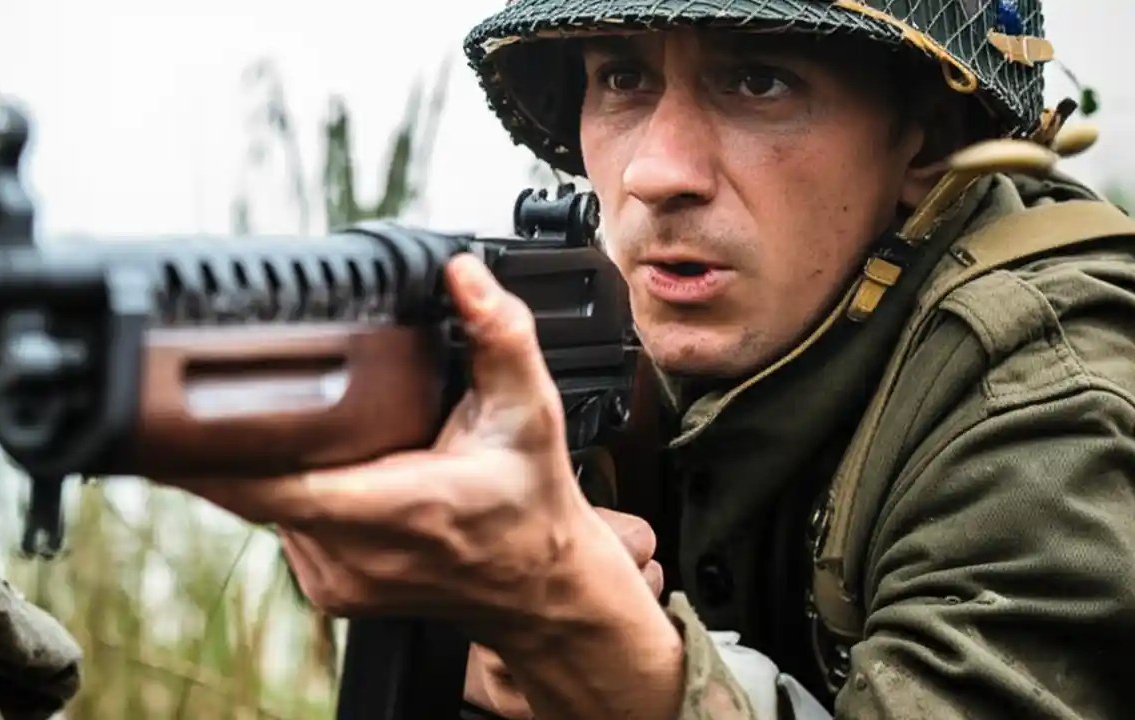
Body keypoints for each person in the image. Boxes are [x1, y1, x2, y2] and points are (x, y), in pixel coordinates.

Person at [179, 1, 1135, 718]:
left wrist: (605, 653)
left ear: (926, 138)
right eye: (622, 79)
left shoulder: (1054, 394)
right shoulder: (635, 336)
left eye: (759, 80)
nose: (654, 172)